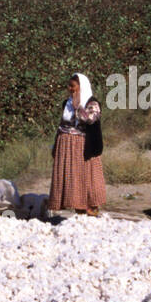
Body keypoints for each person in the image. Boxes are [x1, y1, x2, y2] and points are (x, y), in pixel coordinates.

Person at [48, 72, 105, 216]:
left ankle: (90, 208)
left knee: (86, 176)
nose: (70, 89)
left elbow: (91, 119)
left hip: (83, 145)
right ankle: (78, 208)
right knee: (72, 177)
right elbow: (62, 123)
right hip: (66, 144)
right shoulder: (66, 103)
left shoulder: (92, 103)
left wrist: (78, 107)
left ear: (81, 86)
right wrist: (56, 144)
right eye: (69, 86)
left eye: (73, 86)